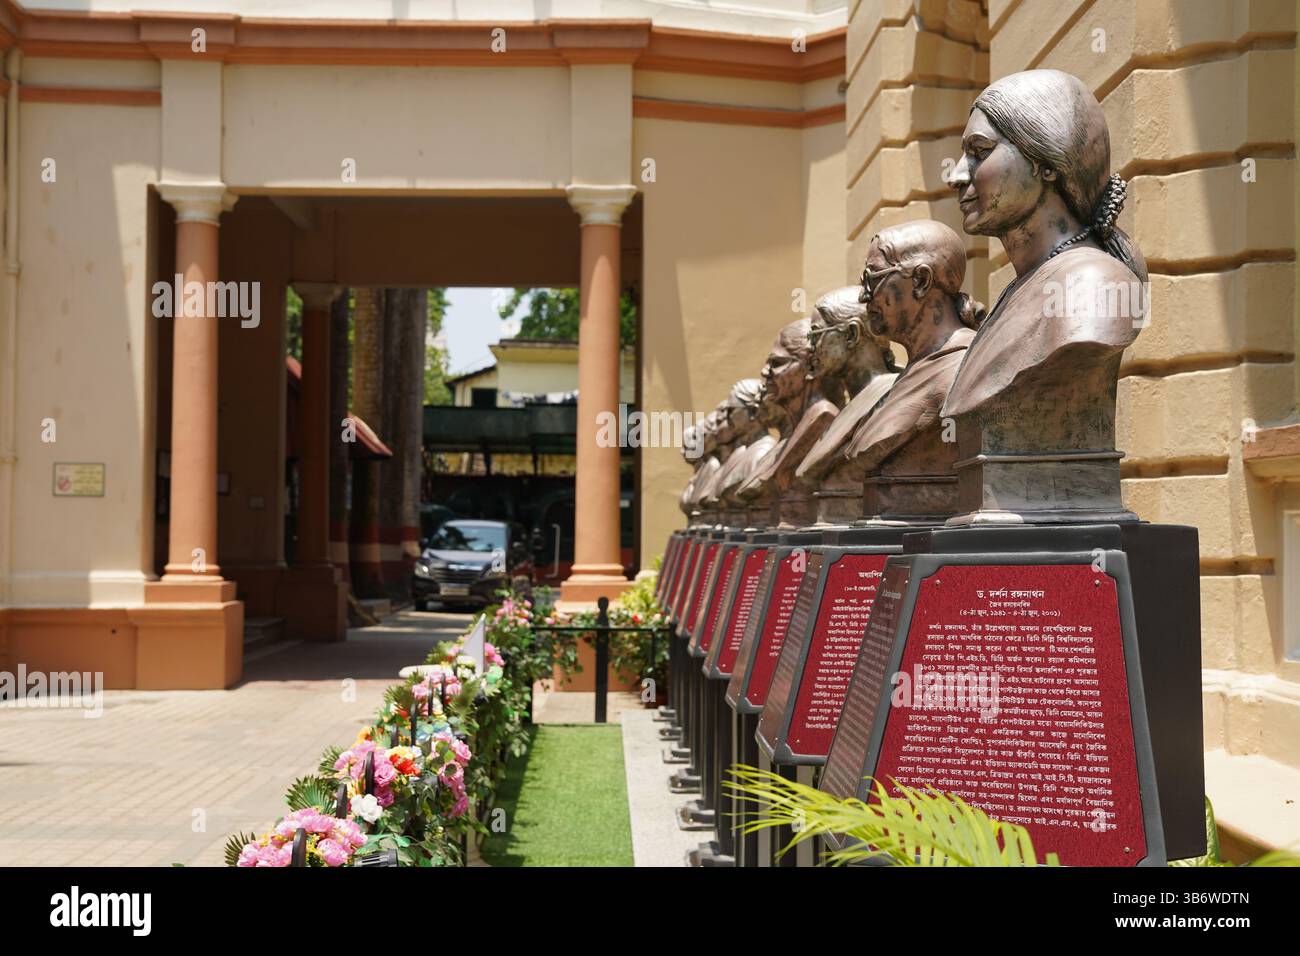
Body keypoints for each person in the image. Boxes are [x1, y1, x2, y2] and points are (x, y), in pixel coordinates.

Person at [942, 69, 1147, 523]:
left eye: (979, 152)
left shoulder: (1094, 288)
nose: (958, 176)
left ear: (1047, 164)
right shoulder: (1020, 292)